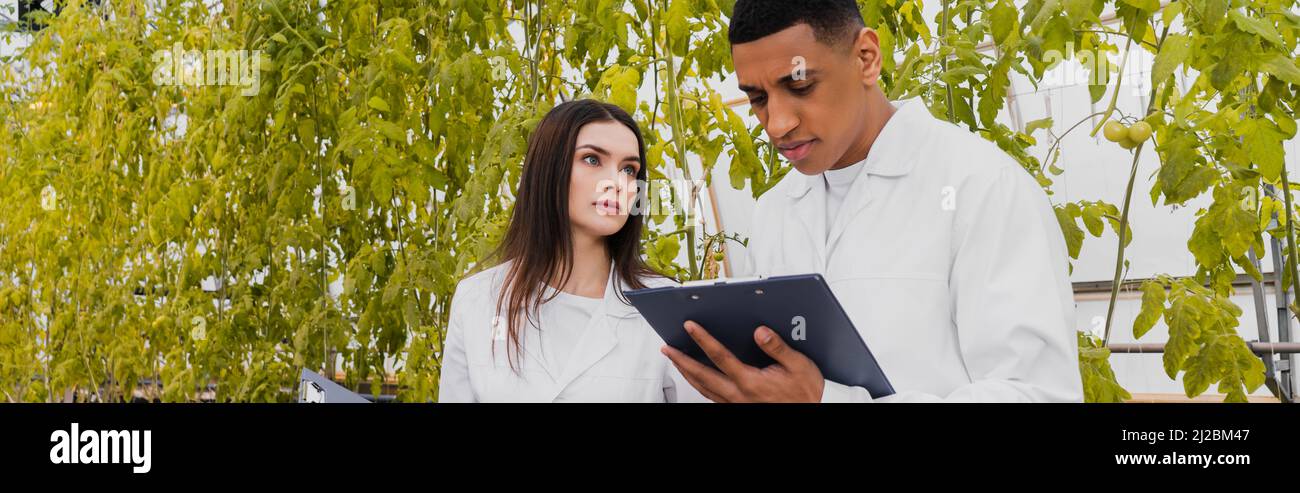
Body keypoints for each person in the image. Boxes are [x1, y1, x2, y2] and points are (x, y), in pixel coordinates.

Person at [661, 0, 1084, 402]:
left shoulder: (982, 187)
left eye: (801, 85)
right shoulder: (776, 210)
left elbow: (1035, 392)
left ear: (866, 57)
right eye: (757, 98)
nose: (778, 123)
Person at [438, 99, 700, 402]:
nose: (616, 183)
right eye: (592, 160)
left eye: (629, 169)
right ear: (548, 169)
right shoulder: (477, 300)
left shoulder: (665, 307)